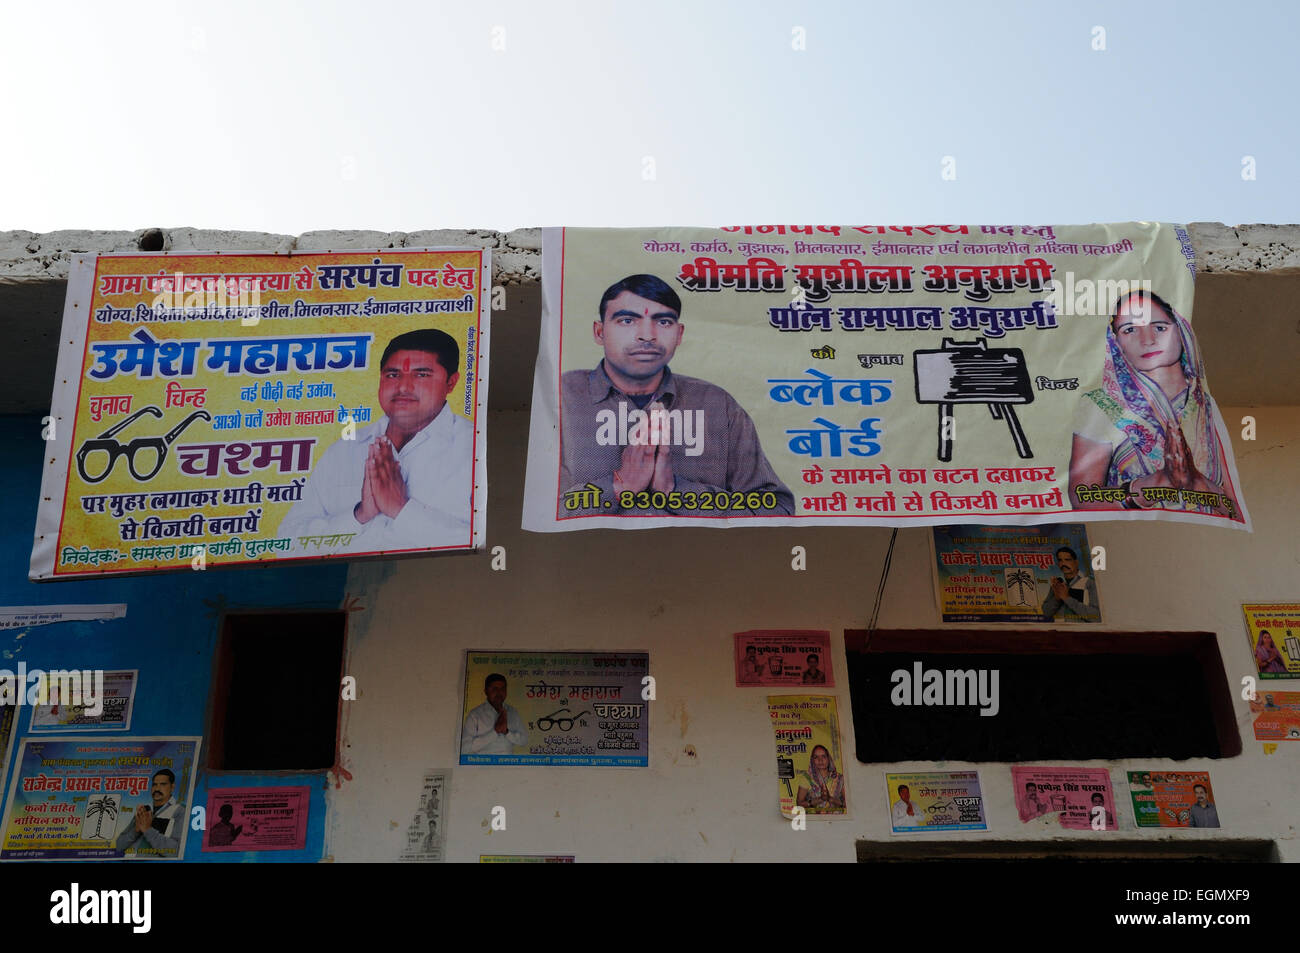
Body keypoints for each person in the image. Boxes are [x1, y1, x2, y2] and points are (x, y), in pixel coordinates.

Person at [559, 274, 794, 516]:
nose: (647, 336)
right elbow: (533, 507)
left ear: (679, 334)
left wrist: (676, 492)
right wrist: (618, 485)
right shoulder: (562, 396)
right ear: (599, 332)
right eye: (628, 320)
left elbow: (779, 509)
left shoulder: (716, 404)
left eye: (663, 322)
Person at [278, 328, 474, 554]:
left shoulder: (473, 448)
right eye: (392, 374)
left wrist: (401, 509)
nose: (403, 387)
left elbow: (481, 541)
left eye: (421, 375)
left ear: (451, 383)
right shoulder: (344, 450)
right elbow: (287, 545)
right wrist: (359, 515)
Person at [1069, 290, 1239, 518]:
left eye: (1159, 327)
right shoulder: (1102, 405)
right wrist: (1155, 483)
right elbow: (1082, 497)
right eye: (1129, 330)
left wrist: (1198, 482)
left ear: (1180, 331)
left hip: (1209, 541)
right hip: (1142, 539)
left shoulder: (1205, 405)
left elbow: (1235, 509)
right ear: (1115, 342)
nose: (1147, 340)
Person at [115, 769, 184, 855]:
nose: (157, 788)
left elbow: (177, 851)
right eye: (154, 785)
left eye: (163, 784)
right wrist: (135, 831)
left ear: (172, 787)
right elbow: (119, 846)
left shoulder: (180, 811)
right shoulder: (144, 810)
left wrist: (147, 830)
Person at [460, 673, 528, 755]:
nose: (499, 693)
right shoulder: (475, 715)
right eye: (495, 689)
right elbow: (465, 748)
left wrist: (507, 732)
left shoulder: (513, 712)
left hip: (508, 764)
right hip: (483, 765)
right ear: (486, 691)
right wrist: (495, 732)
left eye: (503, 689)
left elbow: (524, 740)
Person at [1040, 546, 1100, 622]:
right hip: (1059, 631)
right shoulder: (1057, 583)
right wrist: (1057, 598)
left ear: (1076, 562)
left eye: (1067, 560)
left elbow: (1097, 617)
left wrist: (1067, 598)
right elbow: (1046, 613)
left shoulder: (1090, 583)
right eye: (1060, 560)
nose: (1063, 563)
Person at [794, 745, 845, 813]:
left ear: (828, 759)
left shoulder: (839, 779)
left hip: (837, 820)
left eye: (823, 756)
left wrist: (830, 799)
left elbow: (847, 803)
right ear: (812, 760)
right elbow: (799, 804)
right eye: (816, 757)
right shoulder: (806, 778)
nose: (820, 760)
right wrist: (820, 799)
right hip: (815, 821)